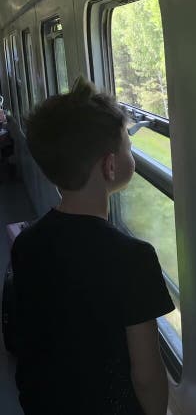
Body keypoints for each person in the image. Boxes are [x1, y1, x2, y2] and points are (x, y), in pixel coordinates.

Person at [9, 77, 174, 414]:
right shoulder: (134, 258)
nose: (131, 152)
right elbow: (146, 376)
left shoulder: (27, 242)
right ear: (110, 166)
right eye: (128, 146)